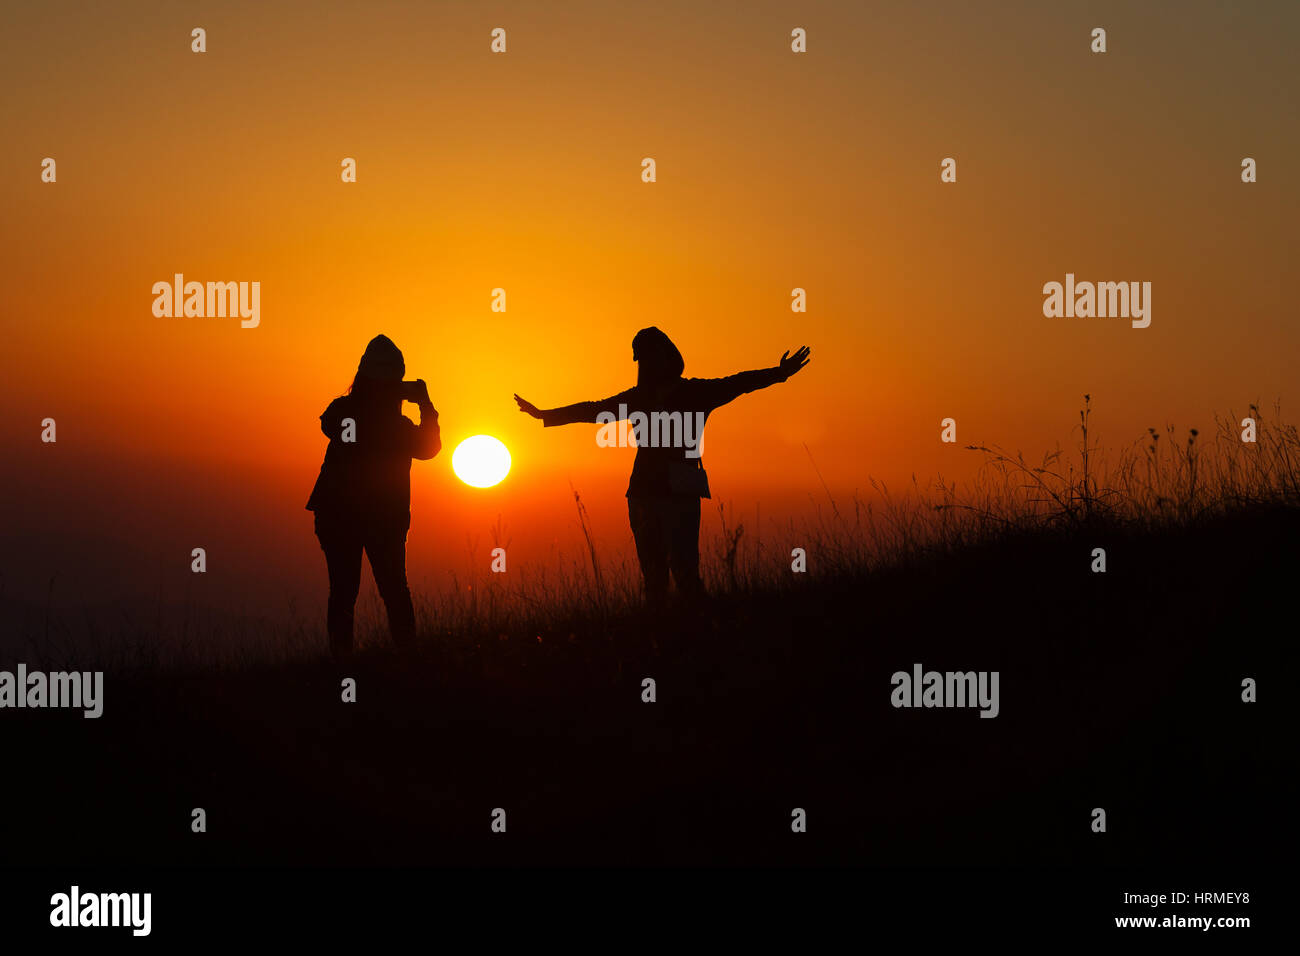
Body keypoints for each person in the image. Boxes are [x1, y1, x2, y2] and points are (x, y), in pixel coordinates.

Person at [515, 327, 810, 608]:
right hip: (643, 494)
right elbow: (592, 410)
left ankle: (700, 629)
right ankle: (662, 632)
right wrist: (544, 415)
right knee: (654, 580)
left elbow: (739, 383)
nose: (646, 364)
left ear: (667, 356)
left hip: (678, 494)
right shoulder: (638, 398)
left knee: (685, 573)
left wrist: (779, 374)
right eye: (642, 359)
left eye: (650, 356)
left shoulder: (694, 392)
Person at [306, 335, 441, 658]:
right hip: (378, 519)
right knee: (393, 590)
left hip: (340, 515)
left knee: (345, 592)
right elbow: (429, 448)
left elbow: (332, 424)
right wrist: (425, 405)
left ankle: (343, 664)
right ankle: (406, 659)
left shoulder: (345, 412)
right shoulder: (393, 427)